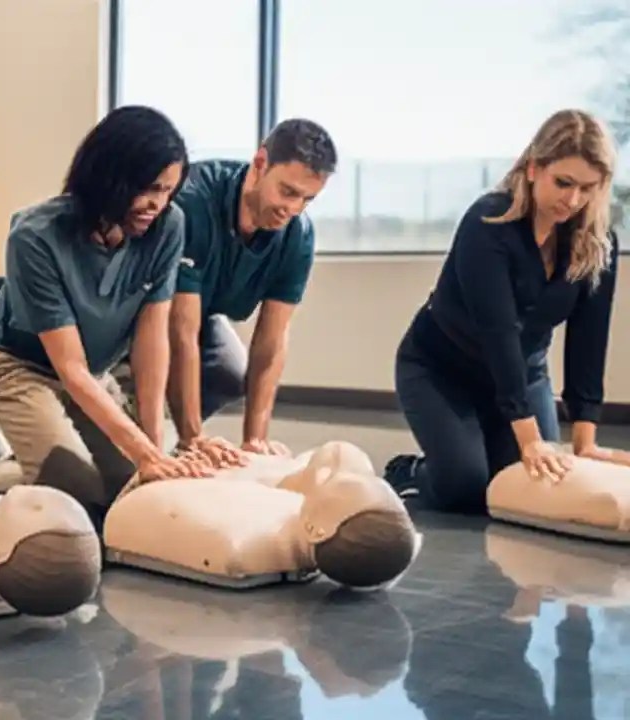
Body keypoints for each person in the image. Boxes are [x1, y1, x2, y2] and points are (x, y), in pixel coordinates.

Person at [0, 105, 210, 524]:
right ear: (110, 176)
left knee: (128, 490)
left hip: (95, 376)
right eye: (150, 188)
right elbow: (70, 368)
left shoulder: (168, 225)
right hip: (22, 370)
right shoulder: (35, 236)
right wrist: (142, 453)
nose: (157, 203)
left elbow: (151, 343)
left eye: (168, 191)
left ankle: (31, 454)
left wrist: (152, 449)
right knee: (80, 498)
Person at [383, 109, 620, 514]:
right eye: (563, 183)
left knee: (530, 484)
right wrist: (529, 440)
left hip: (523, 377)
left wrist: (585, 442)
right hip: (441, 372)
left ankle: (493, 450)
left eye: (587, 188)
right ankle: (411, 471)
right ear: (533, 168)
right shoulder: (488, 222)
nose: (573, 200)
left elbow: (588, 340)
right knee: (467, 486)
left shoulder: (597, 244)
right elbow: (498, 331)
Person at [157, 119, 336, 465]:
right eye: (287, 191)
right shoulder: (193, 203)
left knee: (229, 369)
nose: (293, 209)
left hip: (203, 314)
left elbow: (272, 339)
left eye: (307, 199)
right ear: (259, 165)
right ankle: (145, 414)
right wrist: (193, 439)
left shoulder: (297, 234)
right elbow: (181, 331)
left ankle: (167, 424)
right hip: (144, 311)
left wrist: (255, 438)